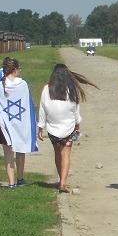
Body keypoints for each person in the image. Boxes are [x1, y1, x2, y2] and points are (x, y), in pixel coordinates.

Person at [38, 65, 98, 193]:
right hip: (68, 127)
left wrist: (40, 126)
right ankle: (63, 183)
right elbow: (75, 110)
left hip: (52, 127)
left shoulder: (46, 89)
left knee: (57, 153)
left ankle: (61, 179)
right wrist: (77, 124)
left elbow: (42, 108)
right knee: (66, 154)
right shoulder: (71, 89)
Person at [0, 58, 37, 189]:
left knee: (8, 154)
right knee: (20, 150)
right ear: (15, 70)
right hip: (20, 122)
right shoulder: (23, 84)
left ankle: (11, 183)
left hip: (3, 124)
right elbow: (28, 104)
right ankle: (20, 178)